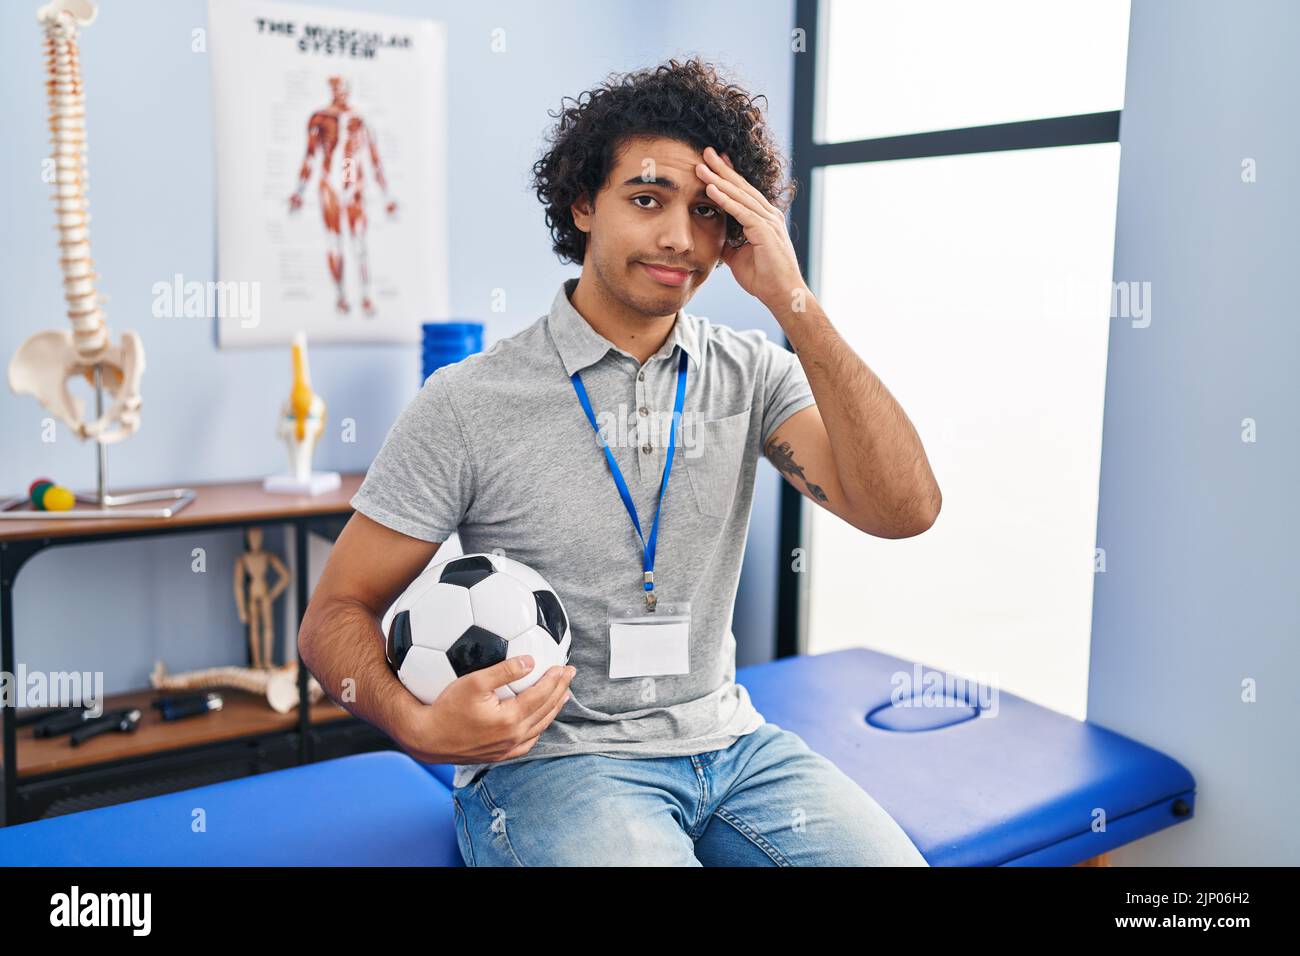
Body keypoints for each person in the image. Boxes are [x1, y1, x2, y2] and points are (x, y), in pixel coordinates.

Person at [299, 57, 940, 866]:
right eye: (647, 200)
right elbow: (333, 617)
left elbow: (905, 510)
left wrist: (793, 302)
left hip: (736, 748)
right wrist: (420, 723)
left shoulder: (755, 372)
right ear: (582, 207)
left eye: (707, 212)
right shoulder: (467, 401)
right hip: (558, 765)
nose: (679, 237)